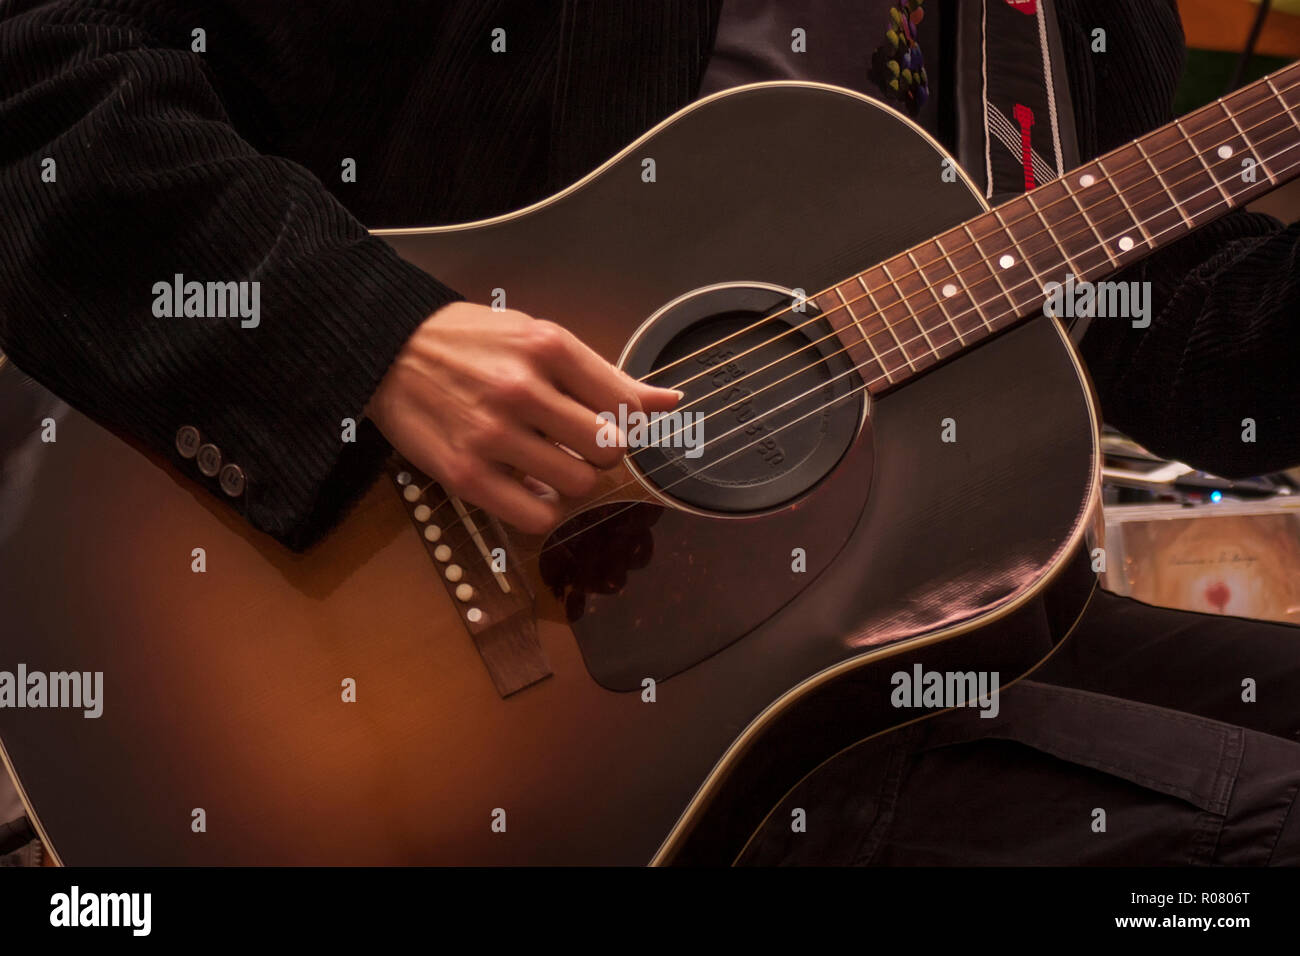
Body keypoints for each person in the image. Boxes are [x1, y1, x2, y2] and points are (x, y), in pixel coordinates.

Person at [1, 0, 1299, 864]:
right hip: (456, 672)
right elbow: (39, 66)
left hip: (885, 626)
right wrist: (369, 338)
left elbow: (1131, 313)